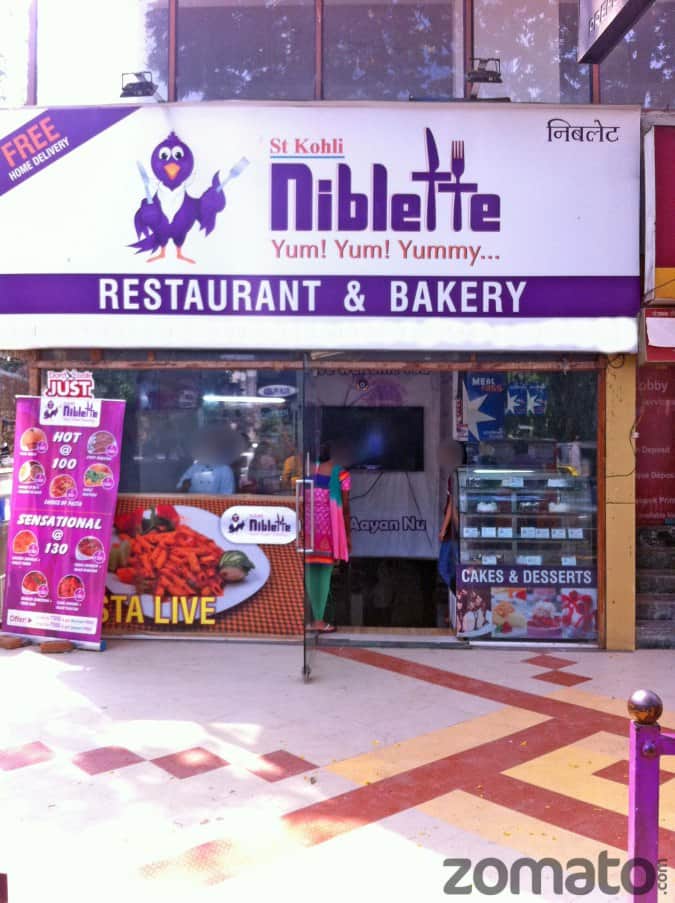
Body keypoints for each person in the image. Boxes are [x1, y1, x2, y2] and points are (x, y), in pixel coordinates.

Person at [304, 441, 352, 633]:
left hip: (307, 531)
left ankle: (313, 619)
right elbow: (346, 509)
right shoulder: (342, 474)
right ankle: (318, 620)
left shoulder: (306, 470)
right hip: (328, 532)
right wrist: (347, 536)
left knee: (310, 572)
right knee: (323, 574)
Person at [438, 440, 466, 593]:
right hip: (456, 530)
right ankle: (460, 594)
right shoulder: (456, 474)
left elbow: (452, 504)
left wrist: (444, 529)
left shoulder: (456, 475)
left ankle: (460, 594)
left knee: (445, 567)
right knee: (449, 568)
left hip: (455, 531)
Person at [177, 430, 235, 495]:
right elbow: (180, 488)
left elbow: (227, 494)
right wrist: (184, 487)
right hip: (192, 503)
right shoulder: (195, 467)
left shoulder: (224, 470)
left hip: (215, 504)